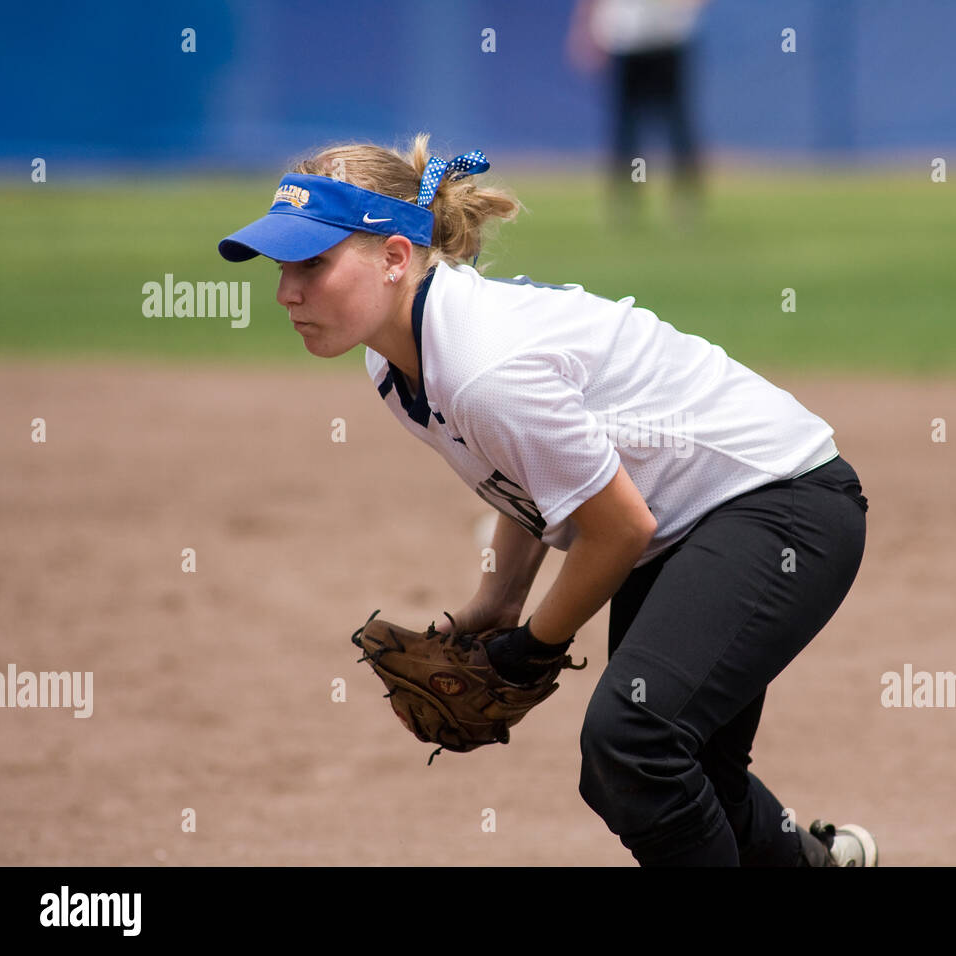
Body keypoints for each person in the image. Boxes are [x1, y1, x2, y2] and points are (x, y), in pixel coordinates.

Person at [217, 134, 877, 867]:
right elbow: (531, 477)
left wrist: (530, 648)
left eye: (313, 264)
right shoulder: (396, 360)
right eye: (283, 268)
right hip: (697, 519)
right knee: (675, 766)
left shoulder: (478, 367)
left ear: (396, 258)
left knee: (635, 746)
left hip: (780, 503)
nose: (287, 293)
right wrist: (497, 602)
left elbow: (620, 528)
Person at [567, 0, 708, 226]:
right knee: (627, 127)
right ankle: (625, 198)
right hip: (627, 39)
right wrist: (586, 27)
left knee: (675, 124)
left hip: (668, 38)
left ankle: (684, 198)